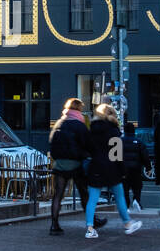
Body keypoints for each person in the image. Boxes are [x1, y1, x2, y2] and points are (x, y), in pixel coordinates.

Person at [83, 104, 143, 239]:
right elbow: (117, 155)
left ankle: (90, 228)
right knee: (120, 197)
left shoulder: (92, 130)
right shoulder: (113, 131)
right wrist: (122, 170)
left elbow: (88, 150)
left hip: (96, 166)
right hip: (111, 168)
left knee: (92, 199)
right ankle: (127, 224)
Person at [47, 98, 105, 236]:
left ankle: (54, 224)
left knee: (58, 195)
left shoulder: (59, 123)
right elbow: (88, 144)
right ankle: (92, 221)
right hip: (76, 163)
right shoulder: (80, 125)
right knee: (84, 193)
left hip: (60, 164)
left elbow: (52, 143)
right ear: (78, 109)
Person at [123, 121, 150, 211]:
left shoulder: (119, 141)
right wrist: (148, 167)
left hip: (124, 168)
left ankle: (126, 204)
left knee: (125, 187)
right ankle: (136, 201)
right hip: (136, 168)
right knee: (137, 186)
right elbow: (145, 156)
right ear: (133, 131)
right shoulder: (139, 142)